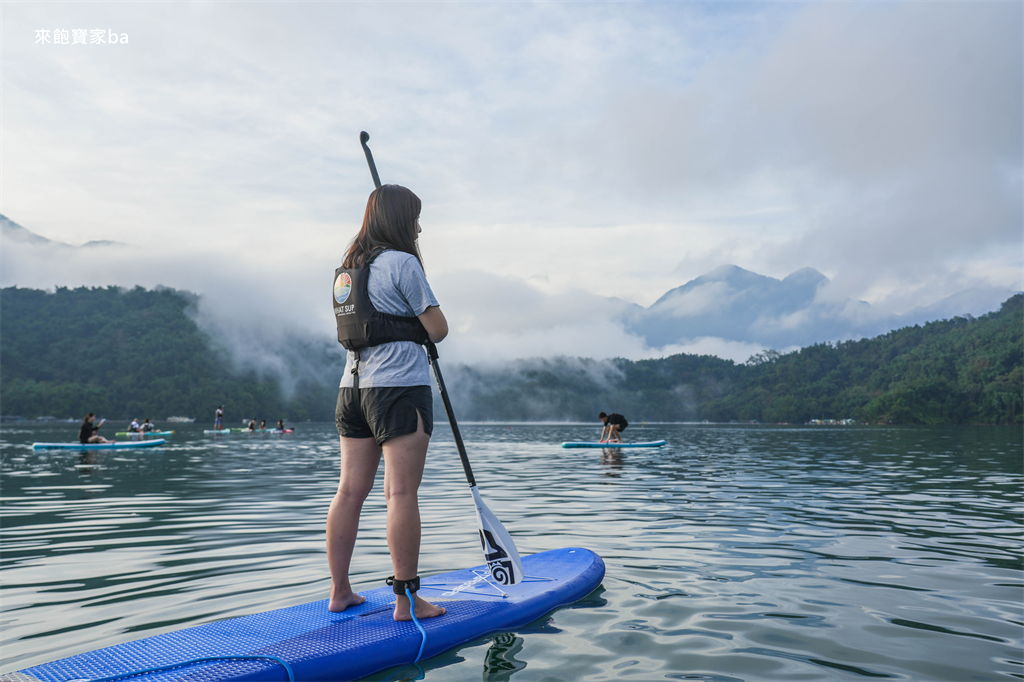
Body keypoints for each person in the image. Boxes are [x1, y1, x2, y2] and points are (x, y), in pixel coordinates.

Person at [327, 184, 448, 622]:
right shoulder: (403, 263)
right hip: (398, 390)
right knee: (401, 492)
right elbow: (438, 329)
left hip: (352, 390)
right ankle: (408, 600)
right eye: (414, 218)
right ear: (400, 222)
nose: (419, 226)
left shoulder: (346, 270)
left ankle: (340, 591)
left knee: (349, 492)